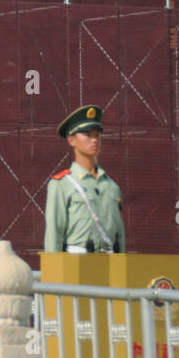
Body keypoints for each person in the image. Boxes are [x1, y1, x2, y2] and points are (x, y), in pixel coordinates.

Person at [43, 105, 125, 254]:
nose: (94, 140)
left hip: (111, 266)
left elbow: (120, 236)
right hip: (76, 265)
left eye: (97, 135)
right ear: (72, 140)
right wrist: (53, 274)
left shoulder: (111, 186)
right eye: (88, 135)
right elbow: (54, 233)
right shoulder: (62, 184)